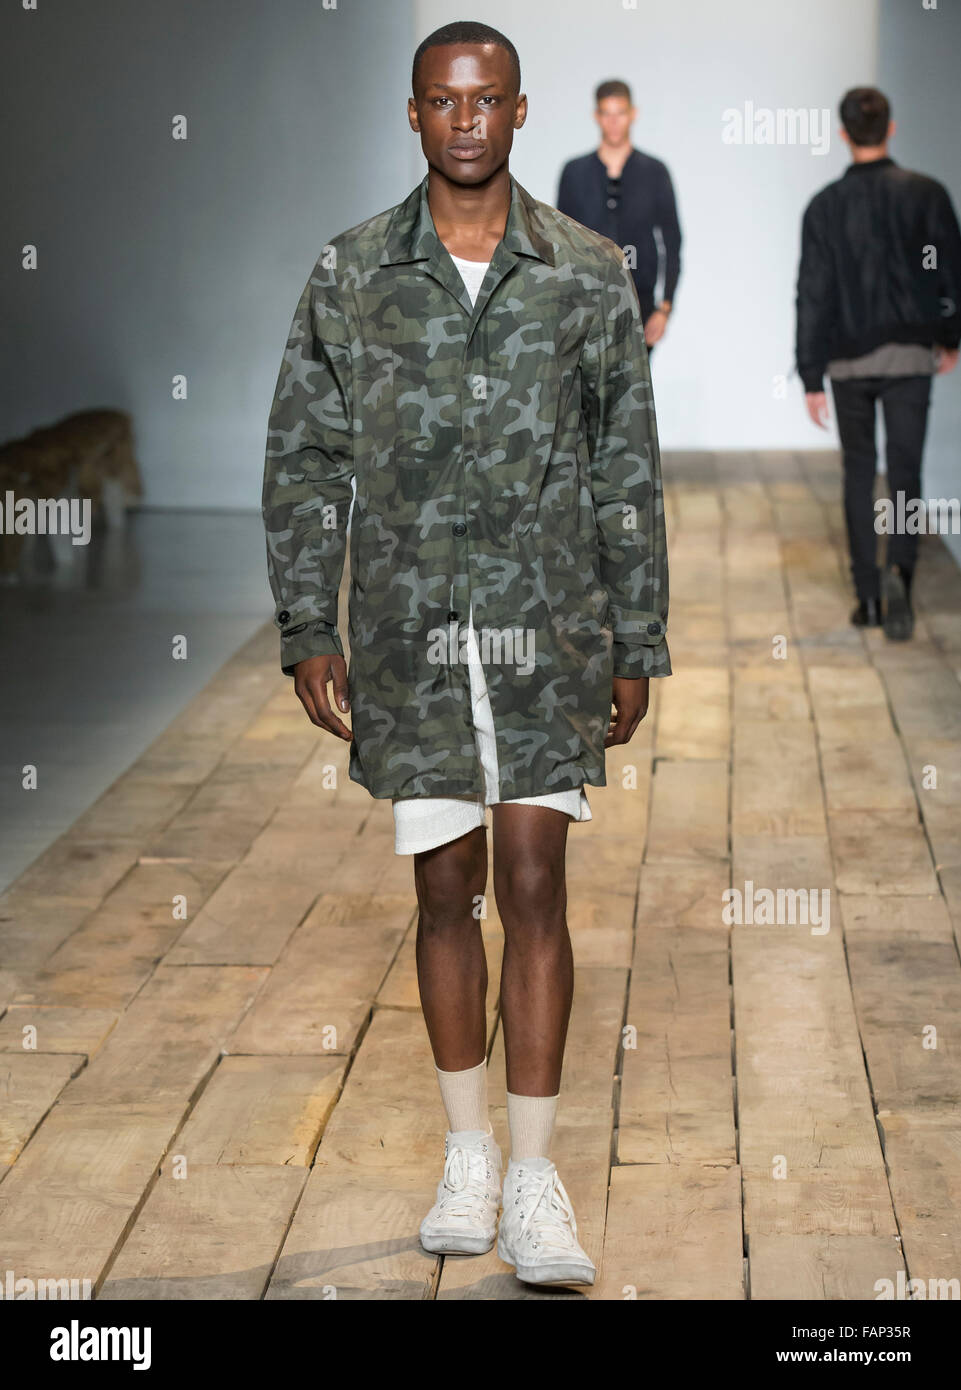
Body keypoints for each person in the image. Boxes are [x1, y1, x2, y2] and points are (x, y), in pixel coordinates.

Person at [262, 19, 670, 1288]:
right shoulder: (352, 273)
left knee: (536, 883)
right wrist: (303, 621)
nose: (467, 120)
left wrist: (636, 633)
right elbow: (306, 455)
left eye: (487, 99)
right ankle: (467, 1154)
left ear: (520, 110)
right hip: (411, 638)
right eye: (444, 101)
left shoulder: (586, 270)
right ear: (413, 114)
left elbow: (622, 462)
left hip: (547, 631)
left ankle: (539, 1175)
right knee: (445, 894)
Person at [796, 86, 961, 641]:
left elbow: (812, 292)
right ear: (891, 128)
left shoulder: (823, 206)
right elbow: (950, 275)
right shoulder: (927, 194)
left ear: (843, 134)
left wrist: (810, 372)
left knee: (859, 471)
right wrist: (950, 336)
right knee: (906, 472)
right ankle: (901, 579)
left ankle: (867, 596)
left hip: (847, 361)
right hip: (911, 354)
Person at [557, 80, 681, 353]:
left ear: (633, 114)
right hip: (585, 304)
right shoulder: (574, 173)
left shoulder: (655, 173)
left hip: (640, 303)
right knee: (587, 392)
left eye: (620, 113)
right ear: (596, 116)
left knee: (632, 392)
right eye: (606, 113)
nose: (613, 122)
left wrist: (665, 308)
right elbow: (559, 242)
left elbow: (672, 242)